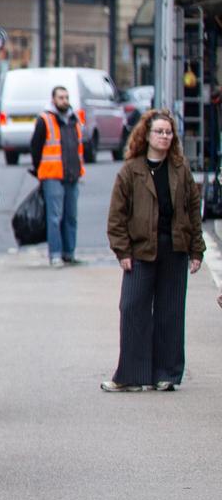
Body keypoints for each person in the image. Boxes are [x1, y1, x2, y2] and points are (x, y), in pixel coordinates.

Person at [103, 110, 206, 391]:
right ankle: (132, 375)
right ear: (146, 135)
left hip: (174, 247)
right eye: (159, 131)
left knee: (170, 312)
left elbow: (193, 211)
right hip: (140, 250)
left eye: (168, 132)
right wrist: (122, 251)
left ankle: (167, 374)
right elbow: (117, 216)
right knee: (132, 307)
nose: (164, 136)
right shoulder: (131, 170)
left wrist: (197, 250)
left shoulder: (180, 169)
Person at [27, 86, 88, 266]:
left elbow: (79, 147)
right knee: (55, 217)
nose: (64, 100)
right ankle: (55, 254)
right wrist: (40, 168)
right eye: (61, 97)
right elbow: (35, 147)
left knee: (71, 216)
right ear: (53, 100)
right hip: (52, 174)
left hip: (72, 174)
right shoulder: (45, 119)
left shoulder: (75, 119)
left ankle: (69, 253)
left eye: (66, 97)